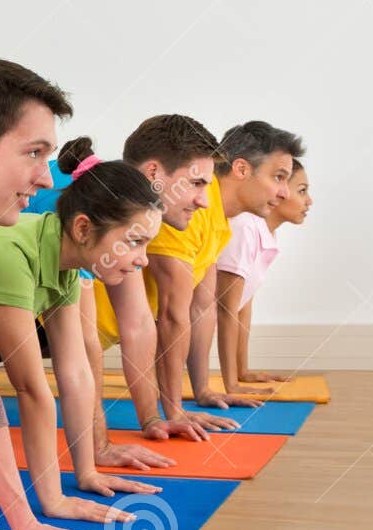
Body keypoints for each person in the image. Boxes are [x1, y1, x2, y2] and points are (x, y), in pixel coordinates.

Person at [0, 137, 165, 516]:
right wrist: (53, 500)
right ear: (84, 228)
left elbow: (75, 374)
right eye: (135, 242)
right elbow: (30, 387)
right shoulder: (13, 250)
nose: (144, 261)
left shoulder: (66, 264)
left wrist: (86, 472)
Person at [106, 119, 302, 423]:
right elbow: (172, 315)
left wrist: (203, 390)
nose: (284, 193)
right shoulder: (184, 213)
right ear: (241, 169)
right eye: (278, 177)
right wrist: (174, 412)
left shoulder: (218, 222)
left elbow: (202, 307)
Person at [86, 114, 238, 455]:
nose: (204, 200)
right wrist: (98, 447)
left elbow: (138, 323)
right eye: (196, 183)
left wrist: (153, 420)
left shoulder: (133, 225)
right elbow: (80, 345)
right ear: (154, 173)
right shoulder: (95, 211)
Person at [216, 159, 312, 393]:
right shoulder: (245, 227)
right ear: (279, 192)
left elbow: (242, 307)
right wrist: (232, 385)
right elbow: (225, 308)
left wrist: (243, 371)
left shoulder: (265, 233)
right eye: (302, 191)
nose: (309, 201)